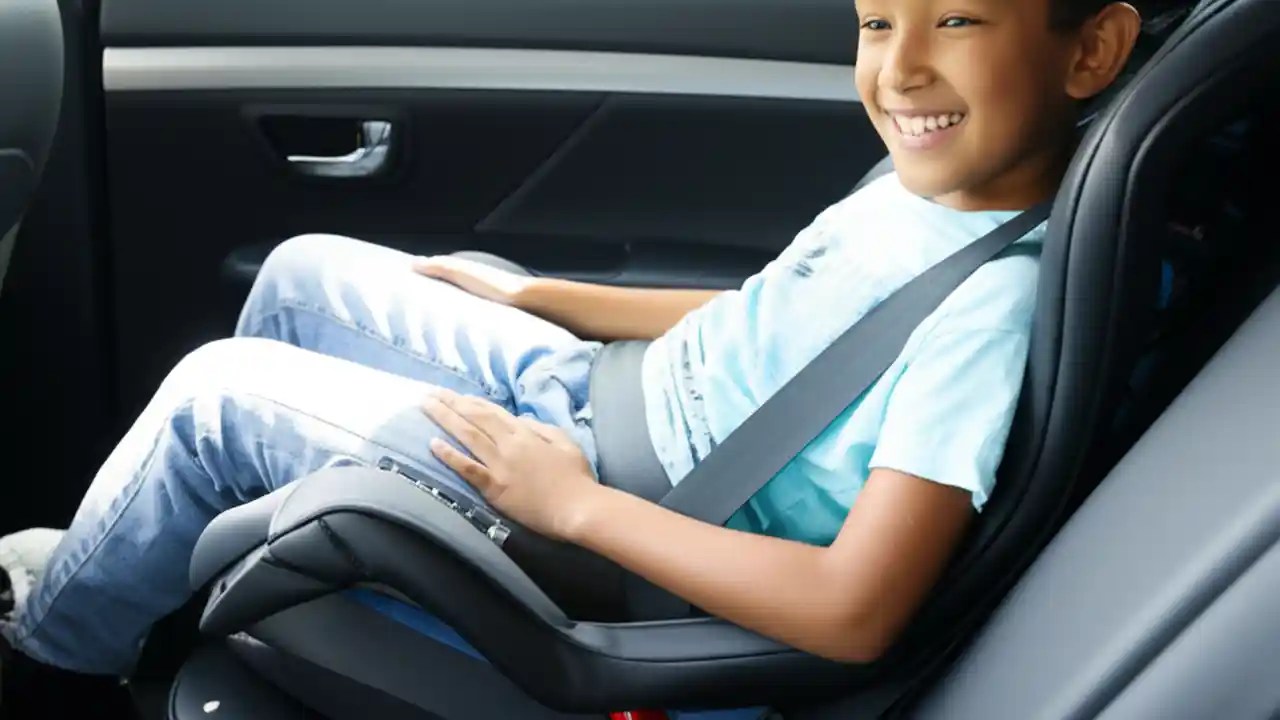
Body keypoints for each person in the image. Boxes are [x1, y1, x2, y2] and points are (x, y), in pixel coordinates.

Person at [0, 0, 1142, 714]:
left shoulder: (990, 309)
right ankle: (154, 566)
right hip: (607, 397)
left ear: (1089, 49)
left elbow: (855, 610)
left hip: (646, 513)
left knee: (214, 398)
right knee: (304, 269)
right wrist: (544, 298)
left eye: (954, 23)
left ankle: (53, 659)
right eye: (873, 23)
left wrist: (575, 509)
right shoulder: (914, 186)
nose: (897, 71)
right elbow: (765, 316)